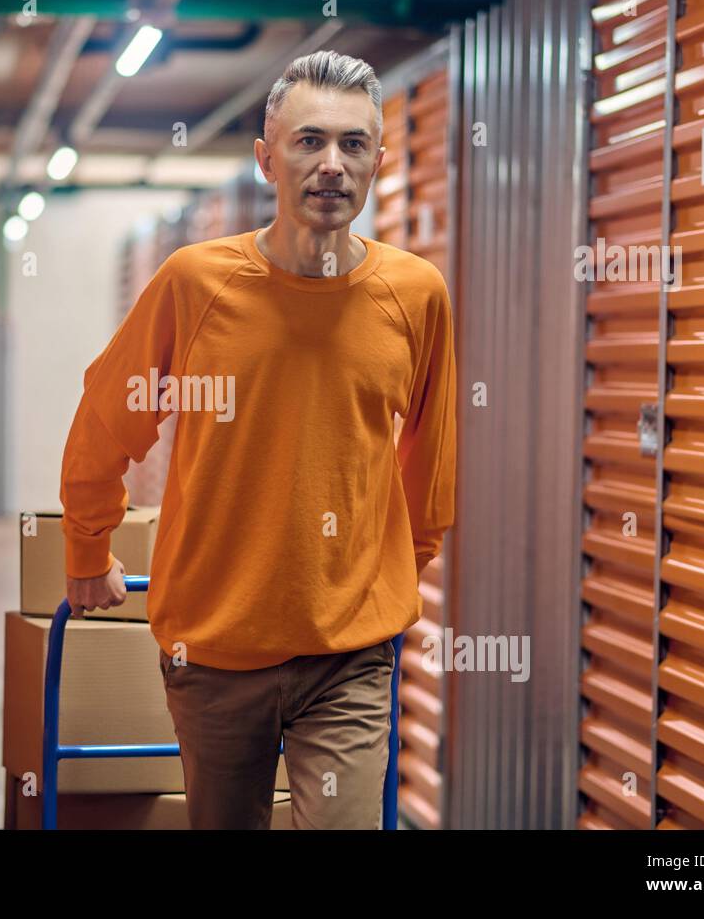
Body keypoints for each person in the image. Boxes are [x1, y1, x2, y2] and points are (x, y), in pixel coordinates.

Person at [59, 50, 457, 829]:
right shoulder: (194, 283)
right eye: (309, 141)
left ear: (380, 160)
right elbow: (105, 424)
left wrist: (389, 575)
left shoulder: (415, 295)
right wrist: (84, 553)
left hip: (351, 657)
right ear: (266, 157)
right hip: (213, 651)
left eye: (352, 145)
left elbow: (432, 462)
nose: (331, 165)